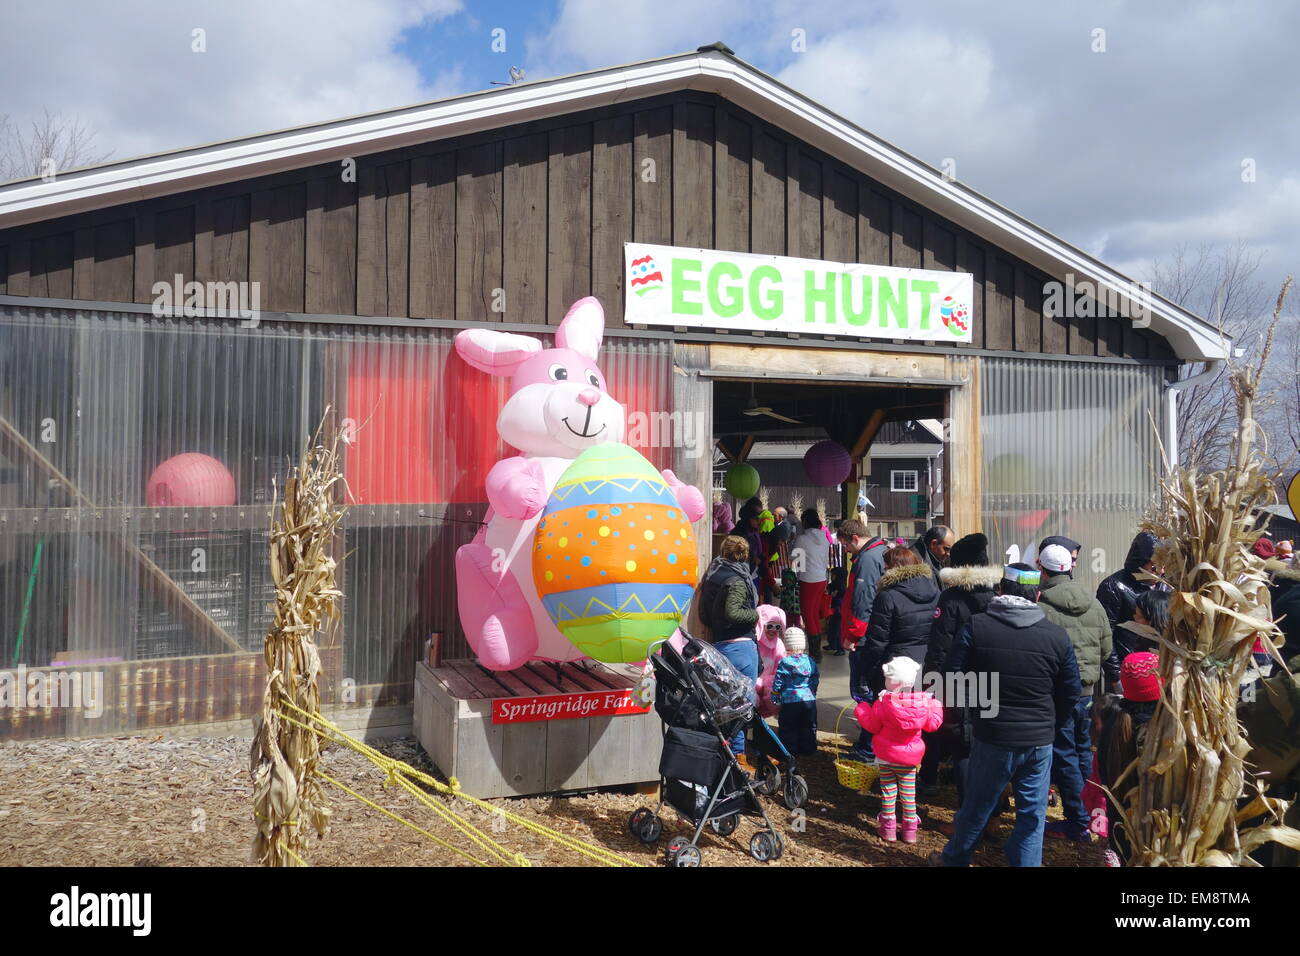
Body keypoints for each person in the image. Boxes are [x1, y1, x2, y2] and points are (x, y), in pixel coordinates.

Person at [931, 563, 1082, 867]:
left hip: (993, 736)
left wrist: (977, 709)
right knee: (1032, 814)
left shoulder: (977, 626)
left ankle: (954, 861)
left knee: (978, 806)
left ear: (1000, 590)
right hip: (1039, 740)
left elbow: (950, 678)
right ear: (1037, 595)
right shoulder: (1057, 636)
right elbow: (1071, 693)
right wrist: (1051, 723)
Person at [1035, 543, 1114, 843]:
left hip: (1057, 693)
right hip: (1088, 692)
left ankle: (1078, 820)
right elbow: (1107, 650)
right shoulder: (1094, 603)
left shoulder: (1042, 608)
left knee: (1064, 753)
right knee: (1084, 751)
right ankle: (1094, 813)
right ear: (1070, 567)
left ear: (1042, 569)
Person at [922, 532, 1001, 798]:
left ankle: (966, 811)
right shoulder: (996, 598)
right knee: (986, 743)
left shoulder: (951, 600)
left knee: (962, 746)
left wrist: (931, 686)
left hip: (957, 684)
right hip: (990, 681)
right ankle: (991, 811)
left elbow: (939, 647)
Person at [855, 656, 943, 843]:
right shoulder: (923, 703)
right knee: (908, 793)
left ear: (891, 682)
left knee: (888, 790)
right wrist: (936, 705)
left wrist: (862, 708)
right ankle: (910, 830)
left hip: (887, 756)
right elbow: (933, 724)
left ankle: (888, 828)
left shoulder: (884, 703)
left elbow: (872, 725)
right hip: (910, 759)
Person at [696, 535, 761, 771]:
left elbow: (704, 615)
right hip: (741, 646)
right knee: (742, 705)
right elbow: (734, 613)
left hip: (720, 645)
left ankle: (724, 754)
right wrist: (756, 614)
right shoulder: (738, 580)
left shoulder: (712, 575)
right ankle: (738, 757)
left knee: (723, 705)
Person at [1096, 651, 1162, 862]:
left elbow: (1105, 779)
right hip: (1161, 834)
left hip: (1123, 829)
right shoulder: (1166, 728)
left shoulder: (1113, 723)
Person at [837, 518, 888, 758]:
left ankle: (867, 748)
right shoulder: (879, 552)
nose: (846, 550)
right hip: (873, 635)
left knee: (863, 693)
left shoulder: (867, 560)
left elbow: (863, 599)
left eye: (846, 545)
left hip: (863, 639)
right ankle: (872, 743)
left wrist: (853, 634)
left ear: (855, 539)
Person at [859, 546, 940, 696]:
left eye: (885, 567)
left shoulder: (887, 597)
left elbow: (877, 640)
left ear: (891, 569)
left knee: (894, 714)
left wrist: (866, 669)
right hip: (927, 663)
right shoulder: (935, 592)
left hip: (896, 667)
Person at [1097, 531, 1163, 667]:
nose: (1161, 571)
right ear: (1141, 562)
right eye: (1154, 566)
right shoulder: (1113, 586)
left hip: (1160, 667)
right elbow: (1105, 635)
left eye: (1164, 565)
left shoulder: (1166, 585)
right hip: (1128, 668)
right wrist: (1116, 675)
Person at [771, 627, 819, 756]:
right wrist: (813, 691)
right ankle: (808, 748)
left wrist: (775, 694)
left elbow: (778, 680)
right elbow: (815, 678)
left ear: (787, 645)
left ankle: (789, 751)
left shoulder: (785, 662)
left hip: (790, 701)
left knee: (788, 726)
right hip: (809, 700)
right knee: (808, 725)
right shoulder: (810, 661)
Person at [792, 509, 830, 648]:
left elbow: (795, 558)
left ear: (805, 521)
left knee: (807, 614)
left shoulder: (802, 538)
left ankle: (815, 652)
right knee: (814, 614)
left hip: (808, 579)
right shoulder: (825, 539)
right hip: (821, 578)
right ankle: (816, 648)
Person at [824, 565, 848, 656]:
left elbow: (839, 599)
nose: (831, 576)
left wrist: (832, 595)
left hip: (839, 611)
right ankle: (832, 645)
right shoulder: (833, 585)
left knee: (838, 630)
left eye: (833, 574)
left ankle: (840, 648)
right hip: (833, 610)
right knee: (831, 629)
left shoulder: (841, 587)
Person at [776, 567, 803, 632]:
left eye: (790, 580)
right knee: (788, 626)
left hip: (796, 611)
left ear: (793, 580)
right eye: (786, 580)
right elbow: (777, 595)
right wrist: (779, 590)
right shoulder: (783, 589)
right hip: (787, 611)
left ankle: (799, 636)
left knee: (797, 625)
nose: (788, 582)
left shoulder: (797, 588)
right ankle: (788, 637)